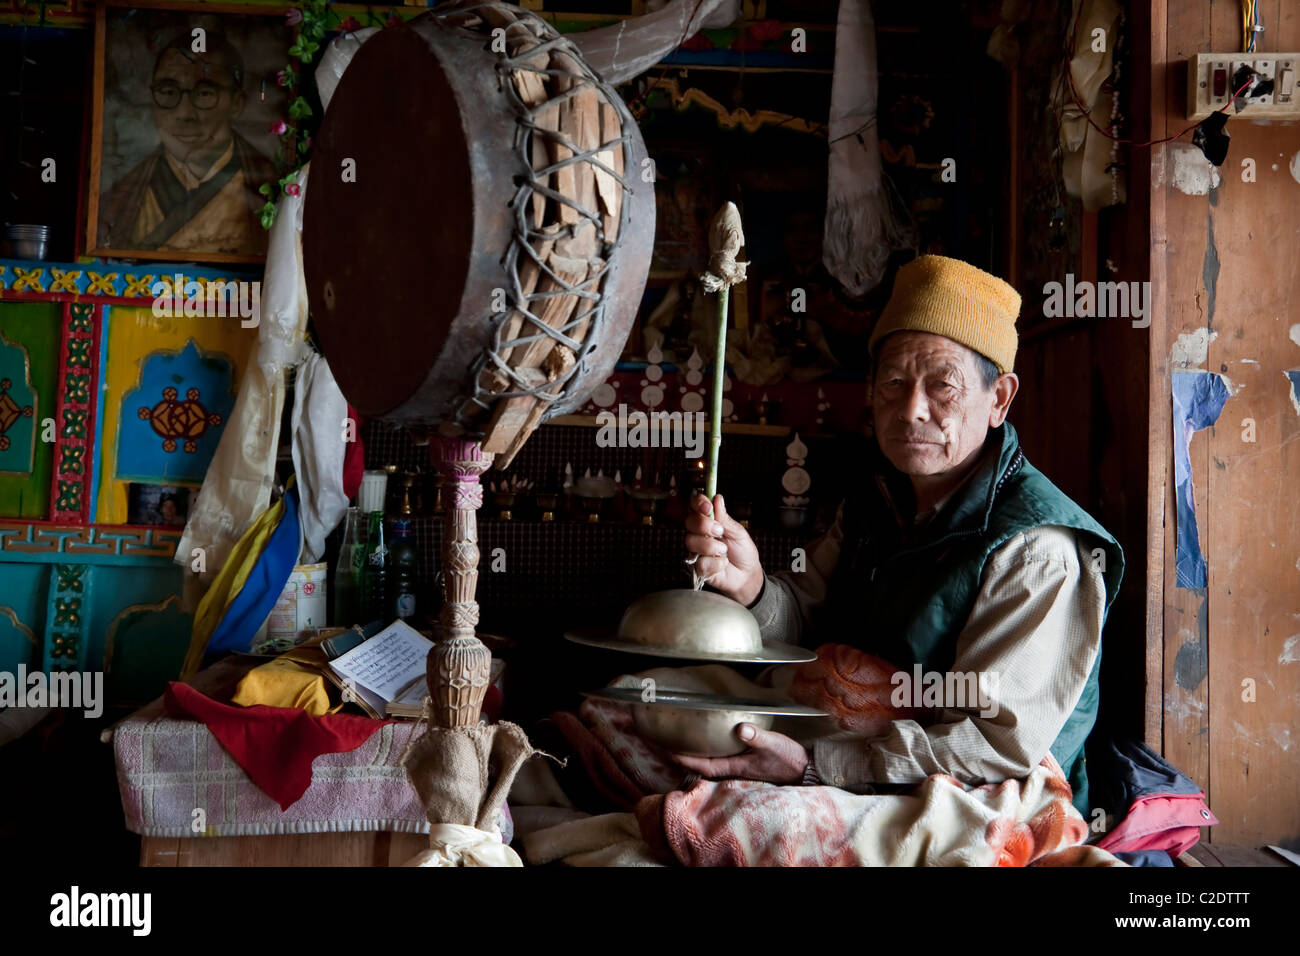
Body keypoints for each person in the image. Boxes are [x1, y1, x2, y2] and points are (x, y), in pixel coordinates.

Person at [680, 255, 1123, 813]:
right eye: (893, 381)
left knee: (715, 821)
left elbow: (992, 745)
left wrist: (815, 768)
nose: (912, 410)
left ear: (1000, 400)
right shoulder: (877, 500)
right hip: (853, 753)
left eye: (943, 386)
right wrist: (752, 590)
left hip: (971, 799)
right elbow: (803, 619)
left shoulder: (1039, 548)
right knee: (636, 719)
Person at [98, 31, 275, 255]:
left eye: (204, 94)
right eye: (168, 91)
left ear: (236, 104)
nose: (184, 113)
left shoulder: (272, 187)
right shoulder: (116, 200)